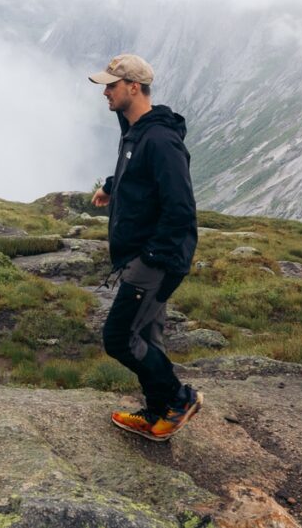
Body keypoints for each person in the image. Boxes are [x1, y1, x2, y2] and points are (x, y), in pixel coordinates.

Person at [88, 53, 201, 441]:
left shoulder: (161, 140)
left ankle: (179, 398)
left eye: (112, 85)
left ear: (133, 88)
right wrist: (110, 185)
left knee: (119, 338)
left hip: (153, 260)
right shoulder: (136, 129)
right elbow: (135, 171)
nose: (105, 92)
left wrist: (154, 258)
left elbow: (181, 207)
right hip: (142, 257)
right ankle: (158, 415)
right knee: (147, 336)